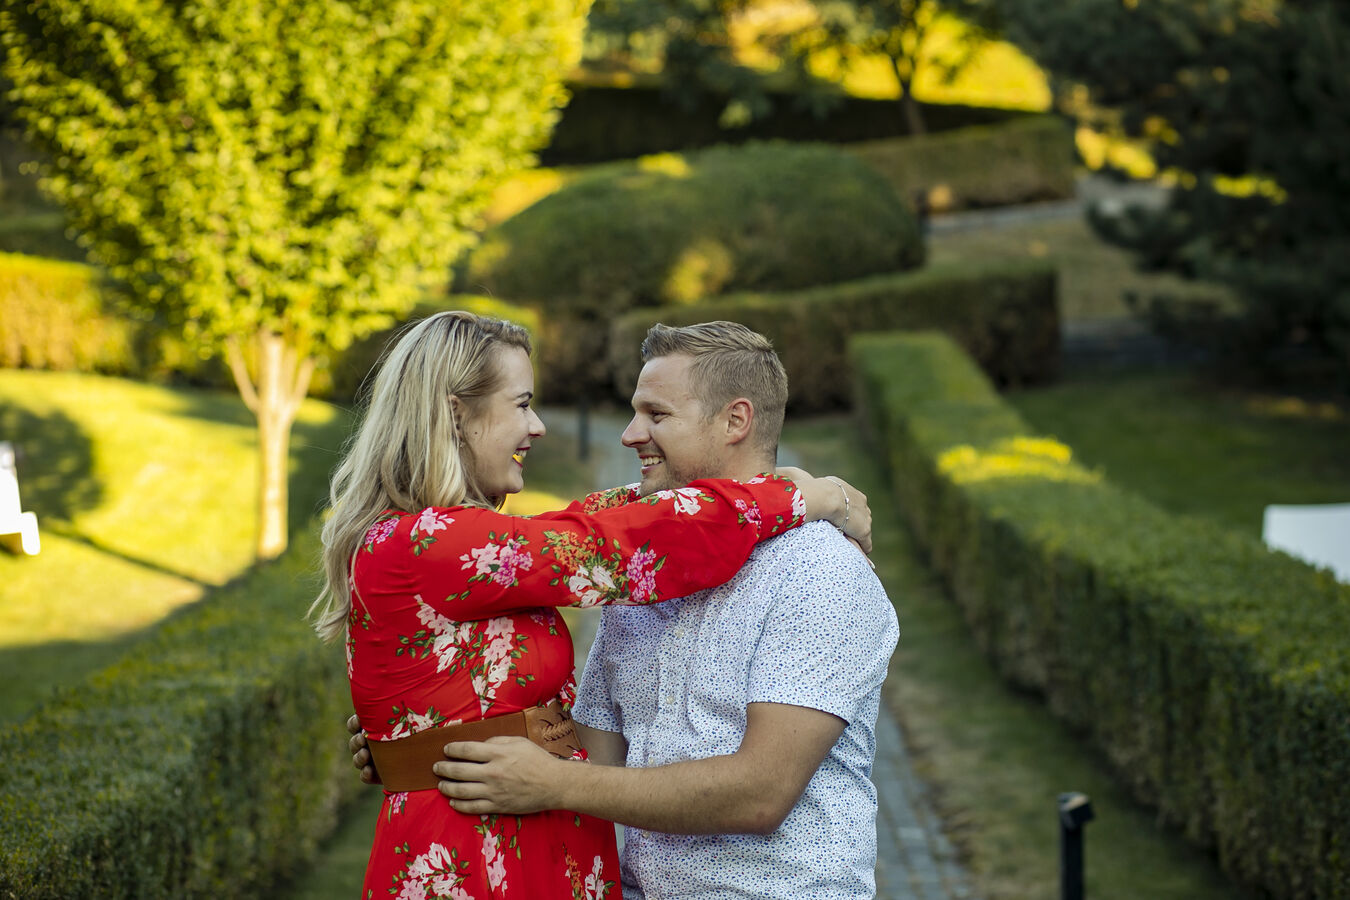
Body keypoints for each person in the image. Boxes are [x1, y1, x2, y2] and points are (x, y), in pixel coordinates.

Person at [313, 311, 871, 900]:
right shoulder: (429, 544)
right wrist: (804, 494)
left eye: (656, 415)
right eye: (522, 404)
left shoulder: (463, 539)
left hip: (530, 834)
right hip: (474, 855)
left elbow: (603, 519)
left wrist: (420, 740)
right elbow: (621, 540)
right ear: (456, 411)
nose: (538, 426)